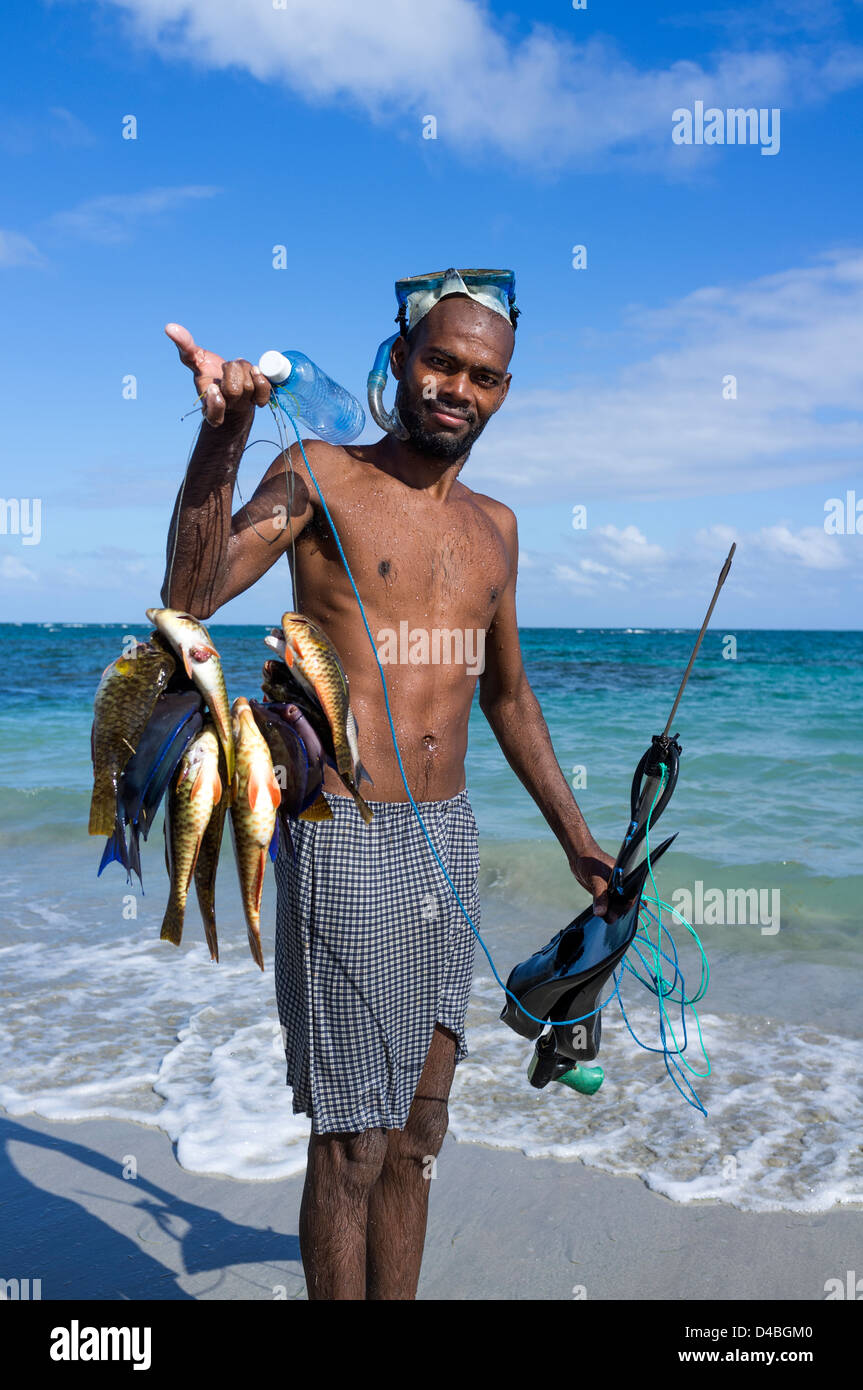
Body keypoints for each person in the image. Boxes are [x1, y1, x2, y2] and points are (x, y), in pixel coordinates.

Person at [161, 268, 616, 1300]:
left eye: (484, 375)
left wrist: (577, 844)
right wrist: (223, 436)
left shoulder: (495, 527)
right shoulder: (317, 472)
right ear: (400, 360)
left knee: (416, 1133)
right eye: (442, 362)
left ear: (503, 389)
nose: (459, 387)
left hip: (445, 840)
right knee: (353, 1144)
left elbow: (507, 700)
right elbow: (184, 598)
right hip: (341, 829)